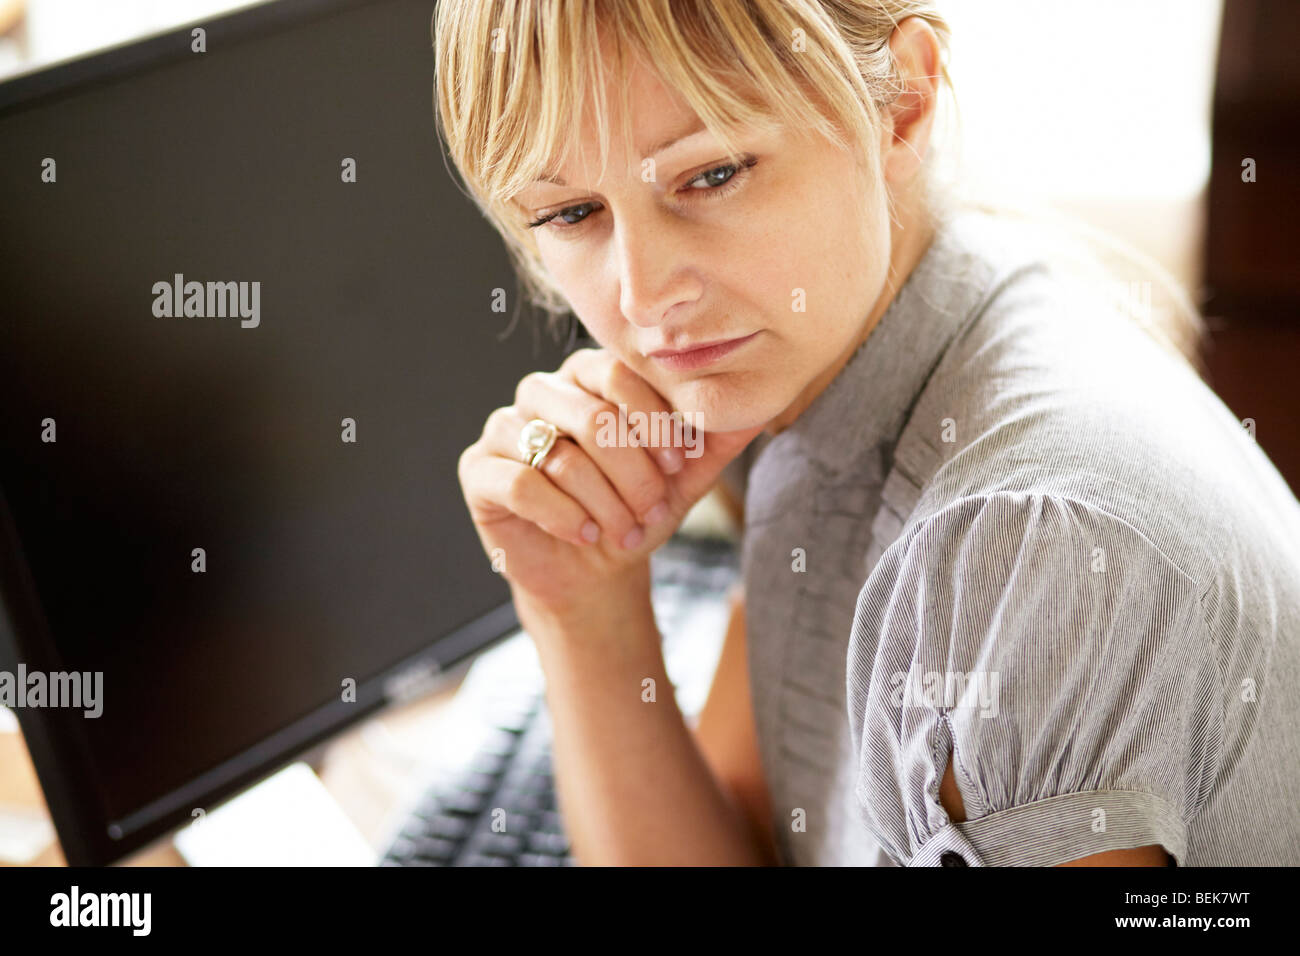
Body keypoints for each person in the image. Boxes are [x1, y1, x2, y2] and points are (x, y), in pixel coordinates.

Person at [437, 0, 1300, 865]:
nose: (644, 296)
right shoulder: (819, 368)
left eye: (713, 174)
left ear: (903, 104)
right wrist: (582, 610)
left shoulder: (1027, 549)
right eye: (571, 213)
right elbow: (751, 843)